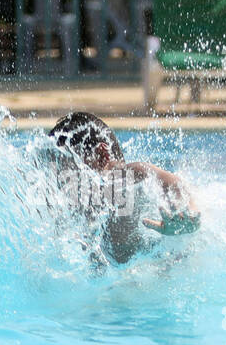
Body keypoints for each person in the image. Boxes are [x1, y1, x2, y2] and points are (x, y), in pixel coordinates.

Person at [45, 112, 200, 264]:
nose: (61, 178)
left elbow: (173, 182)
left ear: (101, 154)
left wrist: (188, 216)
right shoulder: (77, 201)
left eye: (67, 166)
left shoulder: (125, 177)